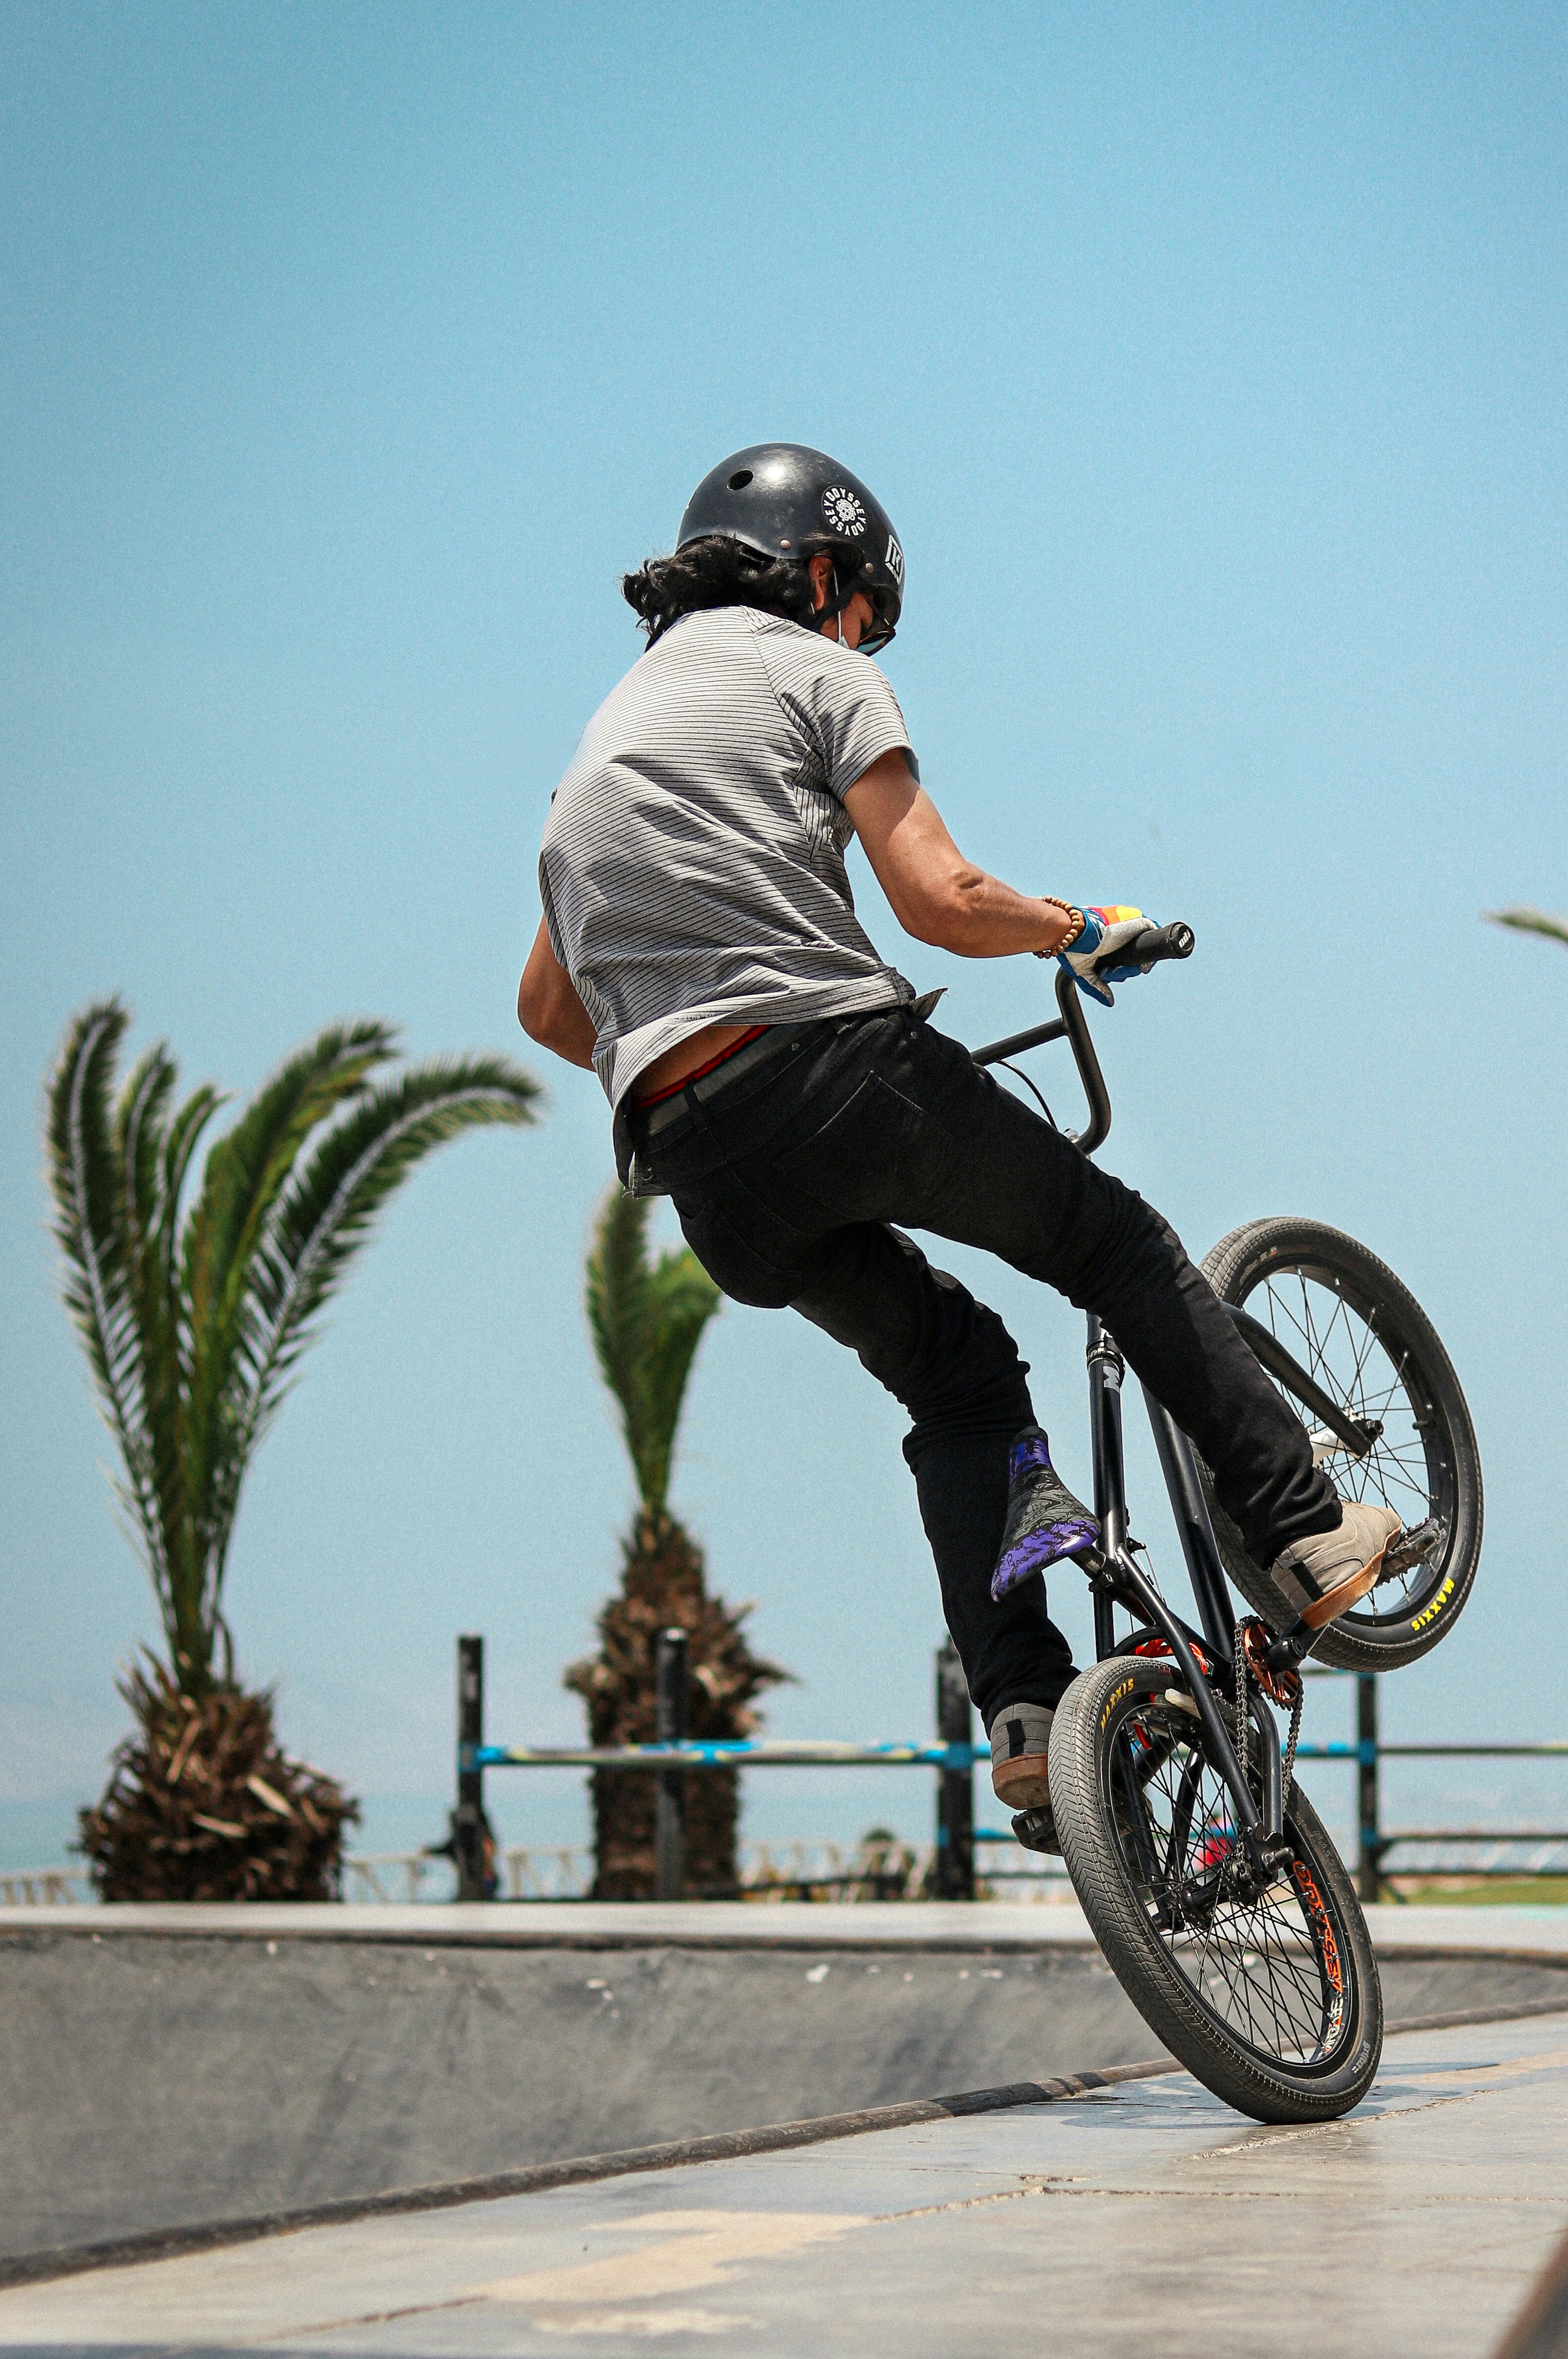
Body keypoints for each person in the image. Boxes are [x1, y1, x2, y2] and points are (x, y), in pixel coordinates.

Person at [519, 444, 1400, 1835]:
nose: (865, 632)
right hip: (841, 1066)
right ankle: (1301, 1524)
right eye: (864, 605)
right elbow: (936, 894)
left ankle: (1028, 1708)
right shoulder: (813, 666)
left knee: (959, 1378)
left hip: (703, 1168)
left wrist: (711, 1069)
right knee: (1112, 1240)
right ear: (821, 573)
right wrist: (1075, 923)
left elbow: (544, 1005)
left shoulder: (605, 739)